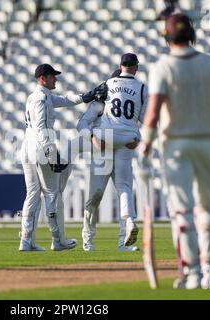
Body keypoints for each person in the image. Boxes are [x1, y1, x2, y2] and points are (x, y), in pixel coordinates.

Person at [140, 14, 210, 289]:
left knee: (183, 212)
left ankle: (192, 273)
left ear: (167, 37)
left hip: (174, 146)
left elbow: (154, 110)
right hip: (207, 142)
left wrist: (145, 148)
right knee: (209, 208)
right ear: (192, 34)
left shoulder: (162, 66)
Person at [19, 63, 106, 251]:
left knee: (32, 194)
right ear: (44, 78)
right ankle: (58, 240)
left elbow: (65, 100)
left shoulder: (39, 96)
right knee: (52, 193)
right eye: (53, 76)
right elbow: (42, 128)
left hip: (27, 147)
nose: (55, 79)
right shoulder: (41, 98)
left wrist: (85, 96)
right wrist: (52, 154)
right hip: (40, 147)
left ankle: (26, 241)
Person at [79, 54, 148, 252]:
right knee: (98, 194)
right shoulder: (100, 102)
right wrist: (92, 137)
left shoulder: (110, 89)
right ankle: (89, 238)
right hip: (105, 144)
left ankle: (122, 240)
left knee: (119, 189)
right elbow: (81, 123)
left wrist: (138, 138)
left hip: (114, 142)